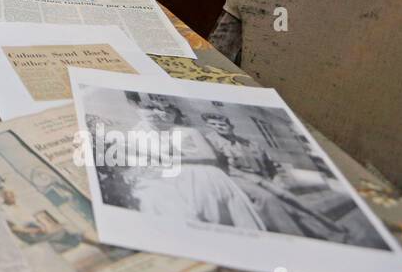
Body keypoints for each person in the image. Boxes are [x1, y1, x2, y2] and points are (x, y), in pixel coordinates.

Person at [200, 113, 346, 241]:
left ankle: (331, 232)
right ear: (208, 126)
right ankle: (297, 241)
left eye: (222, 124)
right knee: (271, 200)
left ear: (231, 125)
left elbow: (272, 166)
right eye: (213, 124)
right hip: (239, 183)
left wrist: (277, 181)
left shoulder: (250, 144)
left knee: (293, 201)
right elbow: (219, 168)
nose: (219, 127)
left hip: (265, 180)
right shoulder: (211, 143)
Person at [126, 101, 264, 229]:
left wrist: (173, 160)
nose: (164, 116)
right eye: (161, 114)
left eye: (169, 113)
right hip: (176, 172)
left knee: (207, 206)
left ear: (176, 116)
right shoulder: (162, 135)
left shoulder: (190, 131)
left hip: (199, 171)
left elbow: (210, 157)